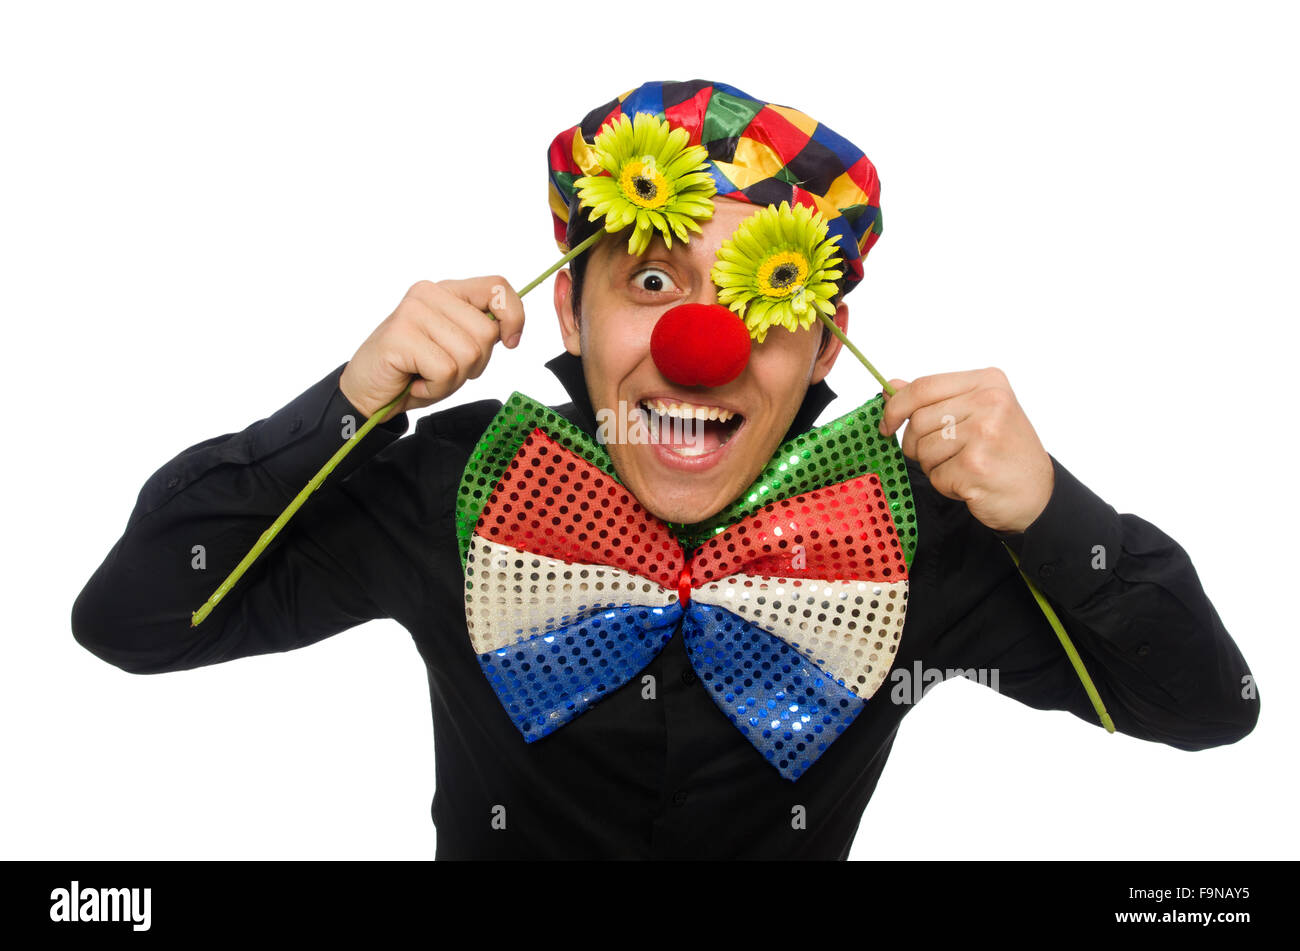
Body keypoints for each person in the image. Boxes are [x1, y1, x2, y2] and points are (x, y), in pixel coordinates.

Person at [70, 79, 1259, 859]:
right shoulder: (455, 486)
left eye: (766, 292)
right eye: (650, 282)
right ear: (572, 320)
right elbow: (135, 620)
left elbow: (1207, 710)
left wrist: (1055, 514)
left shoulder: (912, 528)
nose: (706, 342)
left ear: (825, 348)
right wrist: (347, 407)